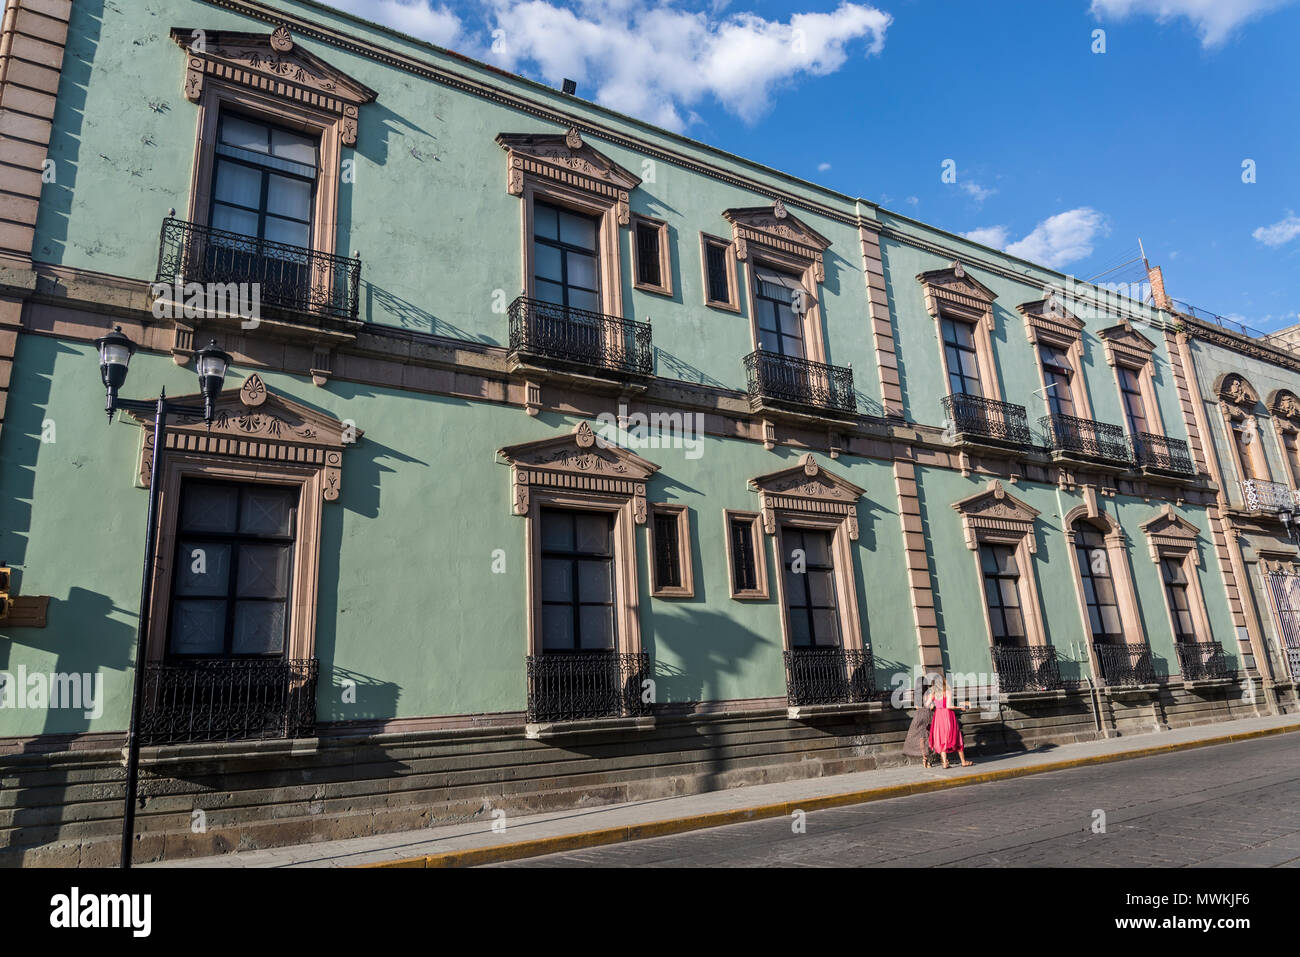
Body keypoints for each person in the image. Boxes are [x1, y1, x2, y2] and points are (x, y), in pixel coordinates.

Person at [928, 674, 973, 769]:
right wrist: (960, 707)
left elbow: (929, 705)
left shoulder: (933, 693)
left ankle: (944, 763)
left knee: (941, 738)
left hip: (938, 716)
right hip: (947, 716)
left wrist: (934, 705)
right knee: (956, 736)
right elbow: (948, 706)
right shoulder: (947, 692)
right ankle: (963, 761)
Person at [901, 675, 934, 768]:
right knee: (928, 737)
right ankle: (928, 760)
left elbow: (916, 707)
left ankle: (924, 759)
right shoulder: (929, 693)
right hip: (927, 715)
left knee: (921, 739)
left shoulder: (916, 694)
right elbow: (930, 706)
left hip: (918, 716)